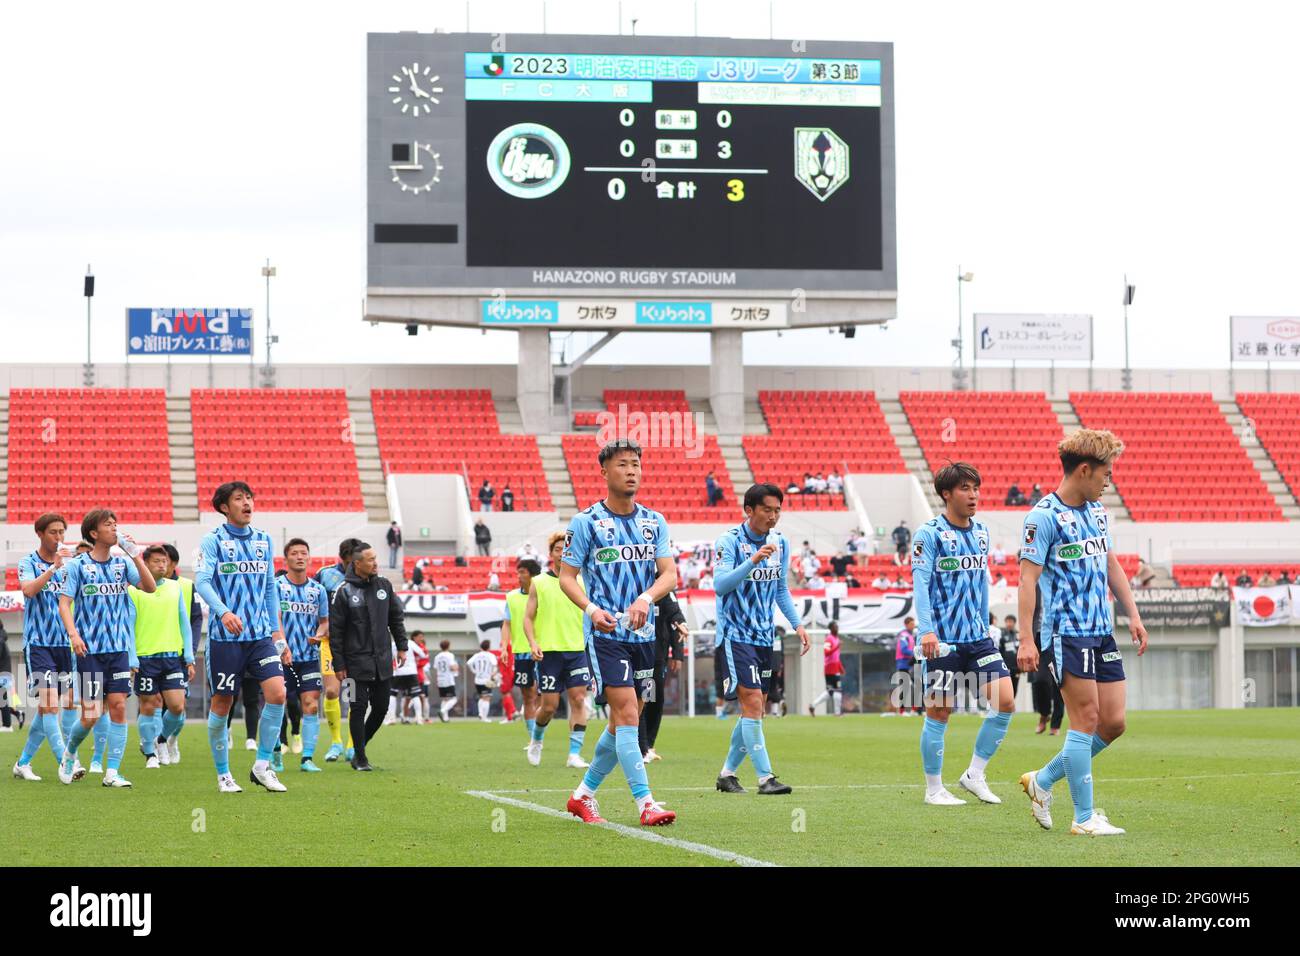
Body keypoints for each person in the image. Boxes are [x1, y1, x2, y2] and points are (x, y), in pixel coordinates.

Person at [1017, 429, 1148, 836]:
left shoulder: (1097, 512)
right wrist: (1026, 638)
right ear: (1085, 470)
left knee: (1113, 722)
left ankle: (1042, 780)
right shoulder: (1042, 517)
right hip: (1065, 634)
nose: (1109, 481)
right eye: (1106, 473)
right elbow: (1027, 580)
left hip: (1101, 632)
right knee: (1086, 719)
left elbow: (1112, 566)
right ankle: (1084, 817)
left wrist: (1134, 614)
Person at [559, 438, 679, 827]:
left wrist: (646, 598)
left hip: (645, 637)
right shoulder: (586, 522)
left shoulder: (654, 521)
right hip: (606, 635)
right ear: (604, 472)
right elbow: (567, 577)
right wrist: (592, 610)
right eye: (623, 464)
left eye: (636, 464)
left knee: (622, 722)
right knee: (628, 715)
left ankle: (582, 795)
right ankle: (646, 803)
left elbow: (669, 574)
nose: (631, 471)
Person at [912, 463, 1014, 806]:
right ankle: (933, 789)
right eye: (966, 489)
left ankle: (974, 774)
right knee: (940, 712)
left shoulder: (982, 532)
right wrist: (926, 630)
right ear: (947, 494)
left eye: (976, 489)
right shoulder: (929, 534)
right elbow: (921, 585)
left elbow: (981, 581)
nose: (974, 496)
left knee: (1005, 701)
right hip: (942, 640)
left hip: (978, 638)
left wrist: (986, 622)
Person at [712, 483, 810, 796]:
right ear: (749, 510)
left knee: (756, 709)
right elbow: (721, 585)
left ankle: (727, 774)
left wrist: (797, 625)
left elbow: (781, 589)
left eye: (777, 510)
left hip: (764, 637)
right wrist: (752, 560)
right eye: (767, 509)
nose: (773, 516)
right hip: (735, 635)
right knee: (753, 703)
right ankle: (766, 778)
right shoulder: (729, 541)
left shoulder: (780, 542)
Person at [194, 482, 289, 793]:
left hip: (260, 635)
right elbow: (203, 582)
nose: (247, 503)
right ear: (225, 507)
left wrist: (277, 632)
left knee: (277, 694)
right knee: (223, 702)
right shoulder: (211, 542)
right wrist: (223, 612)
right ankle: (223, 775)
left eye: (249, 498)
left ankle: (262, 766)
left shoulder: (264, 540)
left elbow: (270, 588)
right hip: (225, 637)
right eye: (239, 499)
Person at [58, 509, 157, 789]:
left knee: (117, 708)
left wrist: (135, 554)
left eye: (116, 524)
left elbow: (150, 588)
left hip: (118, 651)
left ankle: (112, 772)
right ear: (93, 533)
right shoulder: (78, 566)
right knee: (90, 714)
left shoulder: (121, 565)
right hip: (89, 651)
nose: (115, 529)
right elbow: (64, 603)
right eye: (108, 525)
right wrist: (73, 635)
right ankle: (70, 754)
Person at [329, 542, 407, 771]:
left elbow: (396, 618)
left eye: (375, 558)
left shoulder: (384, 585)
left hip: (382, 661)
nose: (376, 563)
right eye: (371, 559)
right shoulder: (343, 591)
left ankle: (359, 747)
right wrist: (339, 663)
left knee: (381, 708)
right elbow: (336, 632)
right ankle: (360, 757)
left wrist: (402, 646)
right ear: (357, 563)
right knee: (357, 706)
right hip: (353, 664)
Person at [12, 513, 79, 782]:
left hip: (64, 644)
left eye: (62, 531)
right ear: (39, 533)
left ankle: (23, 762)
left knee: (47, 709)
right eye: (53, 532)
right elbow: (28, 590)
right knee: (50, 705)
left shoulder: (71, 565)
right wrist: (52, 567)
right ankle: (66, 764)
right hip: (38, 643)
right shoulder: (28, 561)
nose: (59, 537)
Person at [524, 531, 593, 768]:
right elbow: (528, 618)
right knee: (549, 706)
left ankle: (574, 754)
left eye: (566, 549)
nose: (562, 553)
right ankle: (537, 739)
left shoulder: (584, 581)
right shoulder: (539, 582)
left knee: (578, 699)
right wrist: (533, 643)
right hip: (550, 652)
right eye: (557, 549)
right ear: (551, 554)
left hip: (577, 651)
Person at [129, 546, 194, 771]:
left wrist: (189, 654)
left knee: (177, 706)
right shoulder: (133, 590)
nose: (162, 565)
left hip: (172, 657)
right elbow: (128, 626)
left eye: (164, 561)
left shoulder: (176, 588)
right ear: (145, 564)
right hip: (145, 657)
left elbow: (184, 621)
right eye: (157, 561)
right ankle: (149, 753)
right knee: (149, 704)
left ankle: (161, 739)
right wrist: (132, 658)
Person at [275, 538, 328, 771]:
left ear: (309, 557)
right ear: (286, 559)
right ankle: (275, 752)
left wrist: (319, 634)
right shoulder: (276, 586)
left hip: (308, 658)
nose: (299, 556)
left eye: (303, 553)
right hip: (280, 658)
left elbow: (325, 622)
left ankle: (307, 758)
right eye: (294, 553)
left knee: (311, 705)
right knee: (277, 704)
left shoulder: (318, 590)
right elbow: (274, 619)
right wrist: (282, 647)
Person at [315, 537, 364, 762]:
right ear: (343, 559)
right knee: (333, 691)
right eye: (352, 560)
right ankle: (335, 742)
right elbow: (312, 602)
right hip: (330, 644)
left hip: (355, 646)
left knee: (353, 695)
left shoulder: (367, 579)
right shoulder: (325, 575)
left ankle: (352, 745)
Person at [638, 591, 686, 762]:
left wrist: (678, 654)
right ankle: (642, 748)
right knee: (643, 698)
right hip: (642, 653)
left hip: (660, 656)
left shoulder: (665, 590)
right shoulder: (639, 584)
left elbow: (675, 621)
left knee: (656, 701)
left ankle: (649, 745)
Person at [501, 559, 540, 741]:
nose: (518, 576)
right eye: (518, 572)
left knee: (543, 695)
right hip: (521, 652)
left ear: (531, 575)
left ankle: (538, 732)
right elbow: (507, 624)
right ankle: (533, 737)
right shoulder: (511, 597)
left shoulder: (543, 594)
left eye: (522, 572)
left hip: (542, 649)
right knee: (528, 695)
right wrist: (504, 647)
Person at [1028, 586, 1064, 735]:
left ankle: (1056, 725)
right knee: (1040, 680)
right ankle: (1044, 714)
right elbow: (1029, 610)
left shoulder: (1061, 580)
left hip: (1060, 635)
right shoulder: (1035, 585)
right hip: (1038, 637)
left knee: (1060, 682)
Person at [808, 620, 844, 717]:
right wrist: (837, 646)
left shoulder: (836, 639)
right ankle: (837, 713)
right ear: (831, 628)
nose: (837, 628)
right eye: (835, 627)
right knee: (838, 690)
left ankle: (813, 705)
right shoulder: (829, 639)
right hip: (830, 668)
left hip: (835, 667)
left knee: (830, 691)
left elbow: (836, 656)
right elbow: (826, 652)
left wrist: (841, 667)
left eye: (837, 626)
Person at [389, 632, 420, 724]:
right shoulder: (410, 643)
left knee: (393, 694)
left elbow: (387, 657)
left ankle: (392, 718)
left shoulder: (392, 645)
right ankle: (419, 718)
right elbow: (422, 654)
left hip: (397, 672)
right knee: (415, 695)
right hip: (411, 672)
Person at [467, 640, 499, 722]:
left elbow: (469, 663)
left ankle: (481, 713)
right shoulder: (491, 655)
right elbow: (495, 665)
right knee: (487, 698)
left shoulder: (477, 655)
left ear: (481, 646)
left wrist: (474, 671)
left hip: (477, 680)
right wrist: (493, 674)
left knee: (482, 697)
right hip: (486, 680)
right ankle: (484, 717)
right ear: (489, 647)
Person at [894, 616, 919, 715]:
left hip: (910, 664)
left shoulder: (911, 635)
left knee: (917, 686)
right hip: (903, 664)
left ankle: (914, 710)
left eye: (914, 624)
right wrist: (915, 653)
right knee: (905, 687)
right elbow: (903, 649)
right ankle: (902, 711)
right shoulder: (903, 635)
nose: (913, 626)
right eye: (911, 624)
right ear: (906, 624)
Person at [432, 639, 459, 721]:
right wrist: (456, 667)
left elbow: (436, 669)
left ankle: (445, 718)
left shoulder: (437, 656)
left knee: (445, 699)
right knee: (453, 699)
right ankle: (442, 711)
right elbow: (452, 667)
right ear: (449, 646)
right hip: (448, 679)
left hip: (440, 679)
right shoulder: (449, 655)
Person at [999, 614, 1021, 697]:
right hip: (1005, 666)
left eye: (1011, 622)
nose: (1009, 623)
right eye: (1007, 621)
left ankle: (1011, 706)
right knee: (1006, 687)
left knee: (1014, 687)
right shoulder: (1002, 635)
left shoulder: (1018, 635)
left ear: (1014, 623)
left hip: (1016, 667)